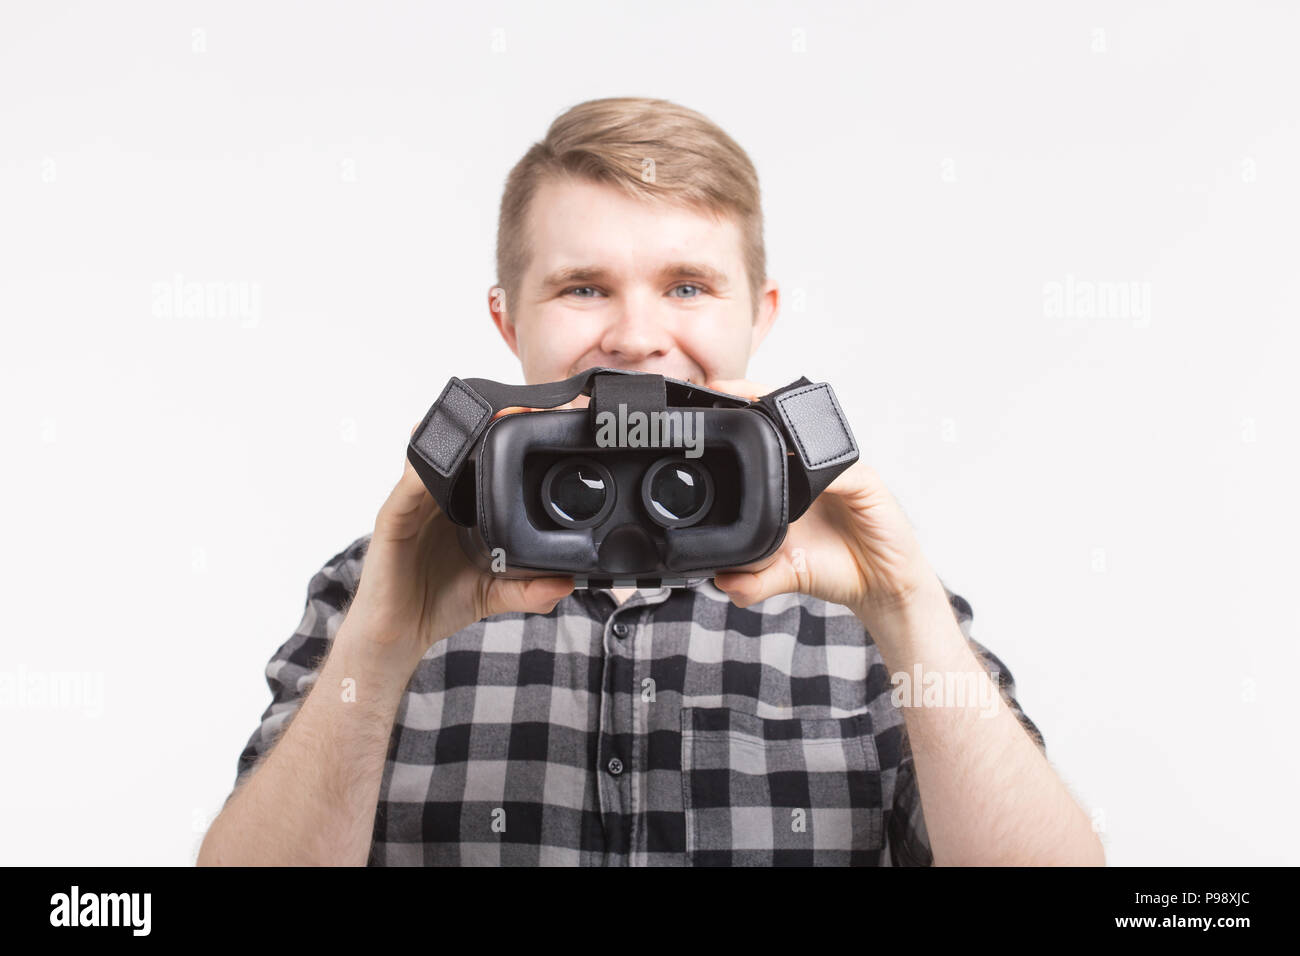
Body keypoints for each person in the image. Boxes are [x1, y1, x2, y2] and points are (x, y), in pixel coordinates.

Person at [198, 96, 1103, 866]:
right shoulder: (383, 582)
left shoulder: (864, 606)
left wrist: (904, 607)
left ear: (761, 316)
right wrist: (384, 639)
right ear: (508, 324)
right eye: (584, 288)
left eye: (688, 287)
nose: (637, 339)